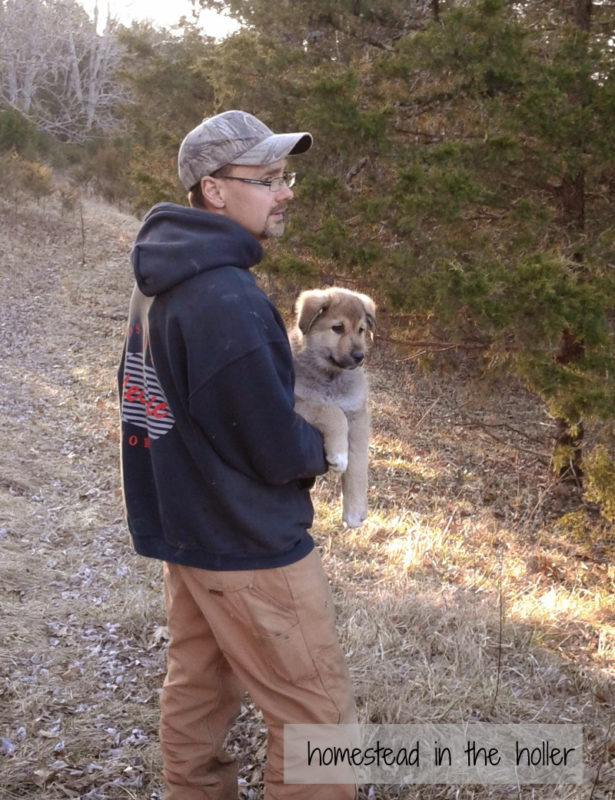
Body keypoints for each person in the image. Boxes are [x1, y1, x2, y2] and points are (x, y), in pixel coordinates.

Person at [118, 110, 357, 800]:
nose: (284, 193)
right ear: (214, 191)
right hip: (249, 542)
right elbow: (272, 446)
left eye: (286, 178)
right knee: (316, 716)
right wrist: (326, 446)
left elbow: (153, 404)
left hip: (191, 528)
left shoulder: (161, 277)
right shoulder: (225, 297)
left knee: (199, 688)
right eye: (267, 179)